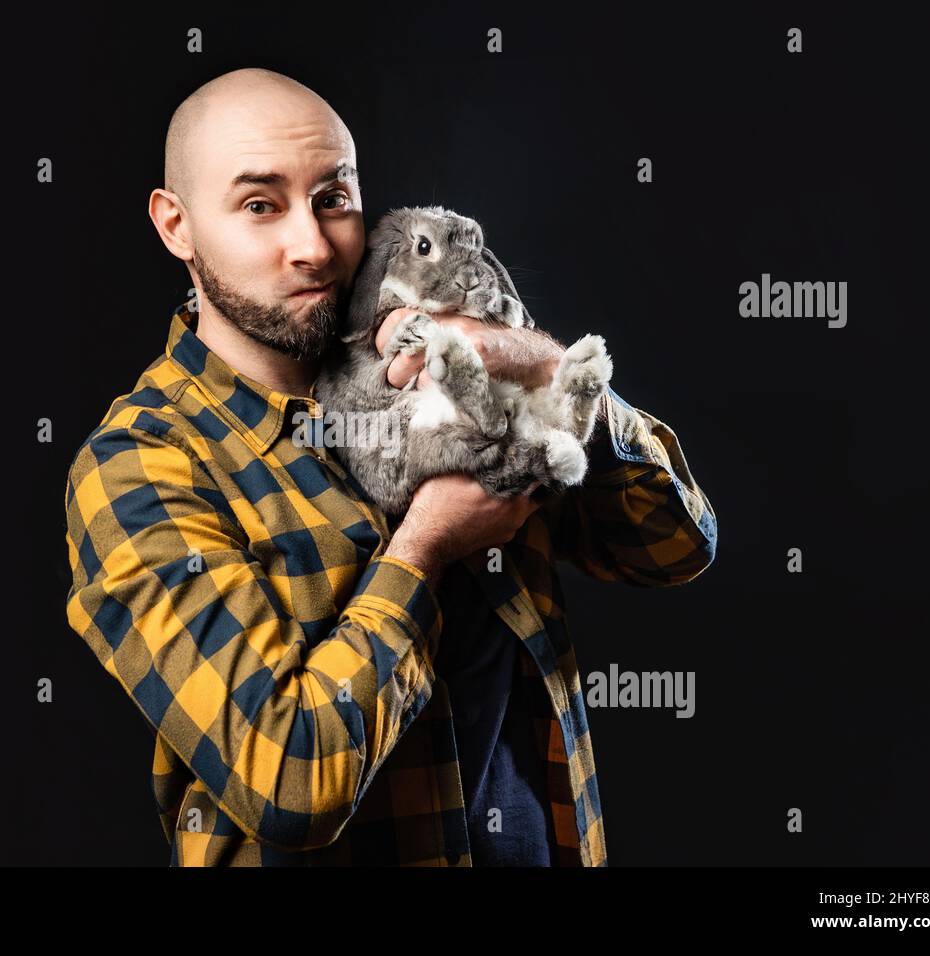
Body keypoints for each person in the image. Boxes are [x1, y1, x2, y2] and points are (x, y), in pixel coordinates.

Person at [63, 67, 717, 866]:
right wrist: (424, 549)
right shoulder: (141, 467)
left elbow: (677, 545)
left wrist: (535, 364)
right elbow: (289, 783)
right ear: (177, 226)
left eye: (333, 198)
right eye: (260, 205)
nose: (312, 247)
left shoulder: (435, 335)